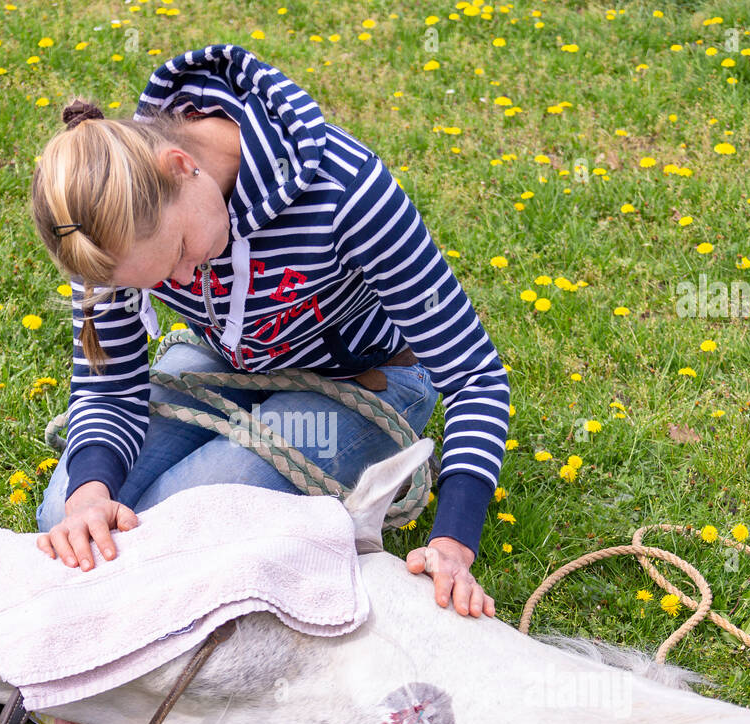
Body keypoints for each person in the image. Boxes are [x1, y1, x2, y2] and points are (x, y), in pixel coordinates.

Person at [29, 44, 510, 618]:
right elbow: (110, 388)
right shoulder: (109, 217)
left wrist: (454, 539)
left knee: (168, 527)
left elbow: (476, 376)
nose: (185, 278)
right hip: (225, 362)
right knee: (68, 517)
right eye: (160, 280)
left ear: (181, 168)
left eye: (181, 252)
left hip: (373, 377)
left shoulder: (347, 190)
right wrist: (88, 496)